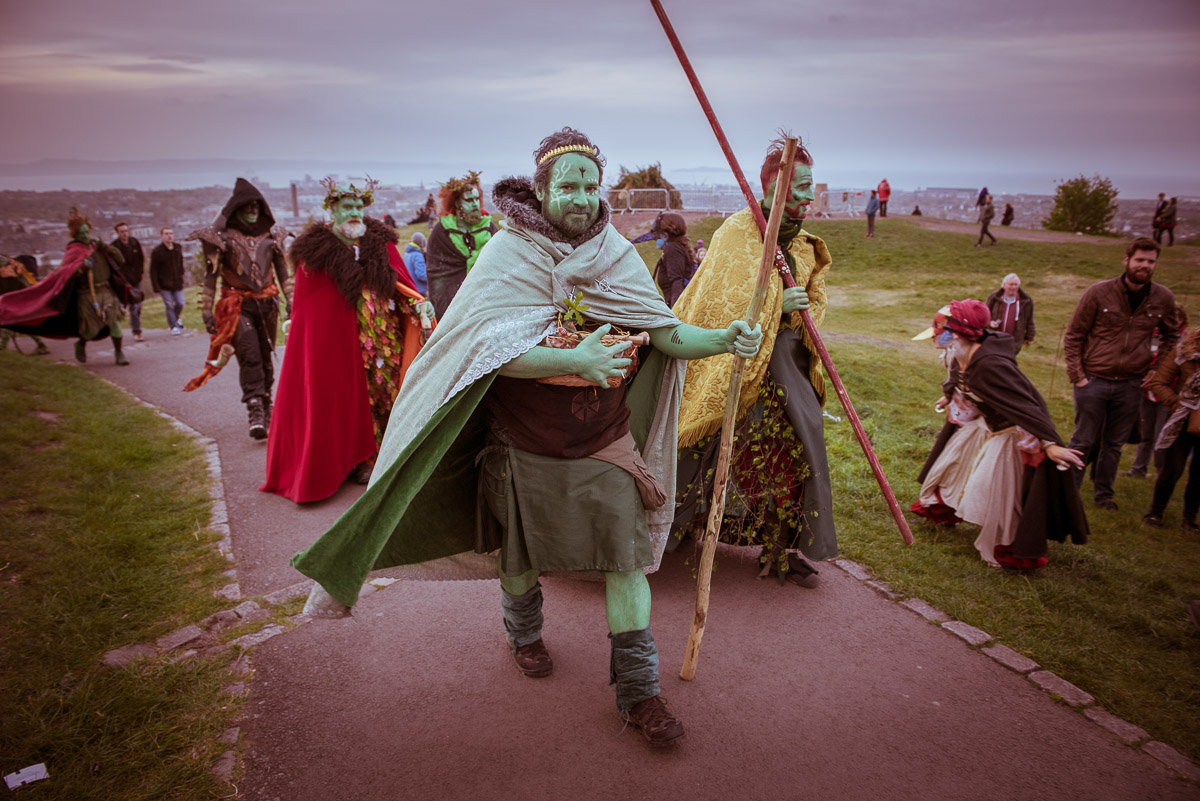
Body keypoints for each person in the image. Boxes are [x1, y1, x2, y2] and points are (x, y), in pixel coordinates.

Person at [291, 127, 763, 747]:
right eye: (567, 186)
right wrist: (574, 361)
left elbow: (666, 334)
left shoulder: (617, 256)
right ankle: (524, 633)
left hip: (605, 445)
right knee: (521, 560)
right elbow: (479, 348)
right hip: (523, 447)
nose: (581, 198)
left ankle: (639, 694)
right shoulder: (507, 254)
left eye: (591, 186)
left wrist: (724, 339)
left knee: (626, 563)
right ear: (541, 191)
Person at [669, 134, 835, 588]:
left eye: (810, 186)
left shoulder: (803, 247)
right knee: (713, 456)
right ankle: (676, 530)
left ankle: (782, 548)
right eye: (796, 188)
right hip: (735, 369)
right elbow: (720, 304)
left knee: (789, 458)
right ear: (770, 187)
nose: (806, 196)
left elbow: (814, 305)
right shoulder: (739, 233)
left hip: (786, 373)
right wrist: (776, 307)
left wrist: (801, 310)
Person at [262, 179, 434, 503]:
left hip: (383, 337)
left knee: (386, 394)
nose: (354, 212)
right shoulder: (315, 254)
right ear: (333, 211)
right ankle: (359, 461)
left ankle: (384, 454)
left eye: (358, 206)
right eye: (347, 207)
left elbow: (401, 282)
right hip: (342, 344)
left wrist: (418, 302)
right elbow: (310, 310)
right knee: (349, 400)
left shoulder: (379, 243)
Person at [913, 300, 1088, 567]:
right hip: (984, 424)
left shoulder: (991, 364)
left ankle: (1009, 546)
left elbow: (1027, 403)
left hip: (1011, 432)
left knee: (991, 489)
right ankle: (941, 509)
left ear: (958, 332)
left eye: (939, 329)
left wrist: (1049, 443)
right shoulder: (958, 352)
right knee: (951, 465)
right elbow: (959, 378)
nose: (935, 335)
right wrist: (949, 395)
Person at [1064, 238, 1181, 510]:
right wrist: (1077, 375)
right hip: (1093, 379)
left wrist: (1155, 372)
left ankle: (1103, 496)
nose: (1145, 266)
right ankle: (1068, 492)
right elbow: (1074, 335)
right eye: (1140, 259)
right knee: (1083, 439)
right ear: (1127, 259)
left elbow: (1171, 335)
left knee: (1114, 444)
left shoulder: (1162, 297)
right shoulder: (1098, 293)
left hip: (1131, 384)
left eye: (1151, 261)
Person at [184, 178, 292, 439]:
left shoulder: (273, 237)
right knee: (249, 353)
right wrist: (206, 310)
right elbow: (210, 277)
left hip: (267, 304)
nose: (253, 210)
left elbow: (283, 275)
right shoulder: (221, 240)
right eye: (248, 206)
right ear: (237, 209)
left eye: (257, 205)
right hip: (237, 306)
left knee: (266, 355)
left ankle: (266, 404)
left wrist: (292, 302)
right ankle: (255, 407)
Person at [0, 208, 130, 365]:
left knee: (114, 323)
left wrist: (107, 247)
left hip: (106, 291)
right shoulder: (74, 250)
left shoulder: (97, 246)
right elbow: (65, 272)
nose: (85, 236)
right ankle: (81, 343)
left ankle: (119, 352)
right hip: (87, 295)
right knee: (90, 330)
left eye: (87, 232)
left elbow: (120, 260)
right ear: (76, 234)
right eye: (82, 233)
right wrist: (81, 267)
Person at [1141, 326, 1200, 532]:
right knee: (1171, 470)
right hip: (1181, 421)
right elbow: (1158, 382)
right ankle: (1156, 513)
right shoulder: (1184, 351)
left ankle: (1190, 519)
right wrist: (1179, 404)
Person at [1127, 305, 1189, 479]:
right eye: (1171, 318)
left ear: (1183, 320)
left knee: (1161, 435)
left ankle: (1163, 473)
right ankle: (1138, 468)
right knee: (1145, 432)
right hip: (1147, 392)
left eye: (1178, 318)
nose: (1174, 322)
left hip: (1168, 394)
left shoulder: (1186, 341)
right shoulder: (1153, 337)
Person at [425, 171, 498, 318]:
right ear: (457, 202)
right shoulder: (441, 232)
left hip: (487, 306)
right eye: (469, 200)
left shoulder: (489, 228)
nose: (475, 204)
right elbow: (437, 275)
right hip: (452, 307)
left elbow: (501, 265)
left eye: (477, 199)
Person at [0, 254, 50, 354]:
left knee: (8, 322)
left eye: (1, 267)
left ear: (6, 266)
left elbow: (26, 289)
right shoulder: (4, 277)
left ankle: (2, 348)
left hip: (20, 301)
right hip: (12, 302)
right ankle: (41, 345)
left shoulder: (16, 277)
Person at [651, 212, 695, 307]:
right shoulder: (676, 248)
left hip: (677, 306)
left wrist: (676, 313)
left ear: (666, 235)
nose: (655, 239)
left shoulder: (672, 249)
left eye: (657, 235)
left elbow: (677, 282)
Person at [985, 273, 1035, 356]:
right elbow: (984, 314)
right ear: (1004, 285)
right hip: (994, 338)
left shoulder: (1026, 301)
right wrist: (989, 323)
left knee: (1007, 363)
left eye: (1016, 285)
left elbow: (1030, 320)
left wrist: (1030, 336)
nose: (1013, 287)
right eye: (1011, 284)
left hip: (1013, 341)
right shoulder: (994, 297)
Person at [111, 222, 145, 341]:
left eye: (126, 231)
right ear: (117, 233)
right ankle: (137, 331)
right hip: (125, 282)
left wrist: (140, 272)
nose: (125, 234)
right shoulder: (114, 247)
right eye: (122, 232)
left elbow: (141, 258)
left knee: (139, 305)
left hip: (136, 279)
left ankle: (134, 322)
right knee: (133, 306)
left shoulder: (134, 242)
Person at [150, 226, 186, 334]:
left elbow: (180, 263)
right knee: (169, 305)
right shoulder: (157, 252)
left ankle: (176, 318)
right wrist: (156, 286)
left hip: (177, 282)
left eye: (171, 233)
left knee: (180, 303)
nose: (169, 236)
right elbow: (153, 270)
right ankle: (173, 326)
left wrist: (181, 274)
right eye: (166, 234)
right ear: (162, 236)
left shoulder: (177, 248)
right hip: (164, 284)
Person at [403, 231, 428, 296]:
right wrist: (431, 279)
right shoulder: (418, 255)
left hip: (411, 287)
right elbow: (421, 274)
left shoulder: (407, 254)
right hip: (419, 289)